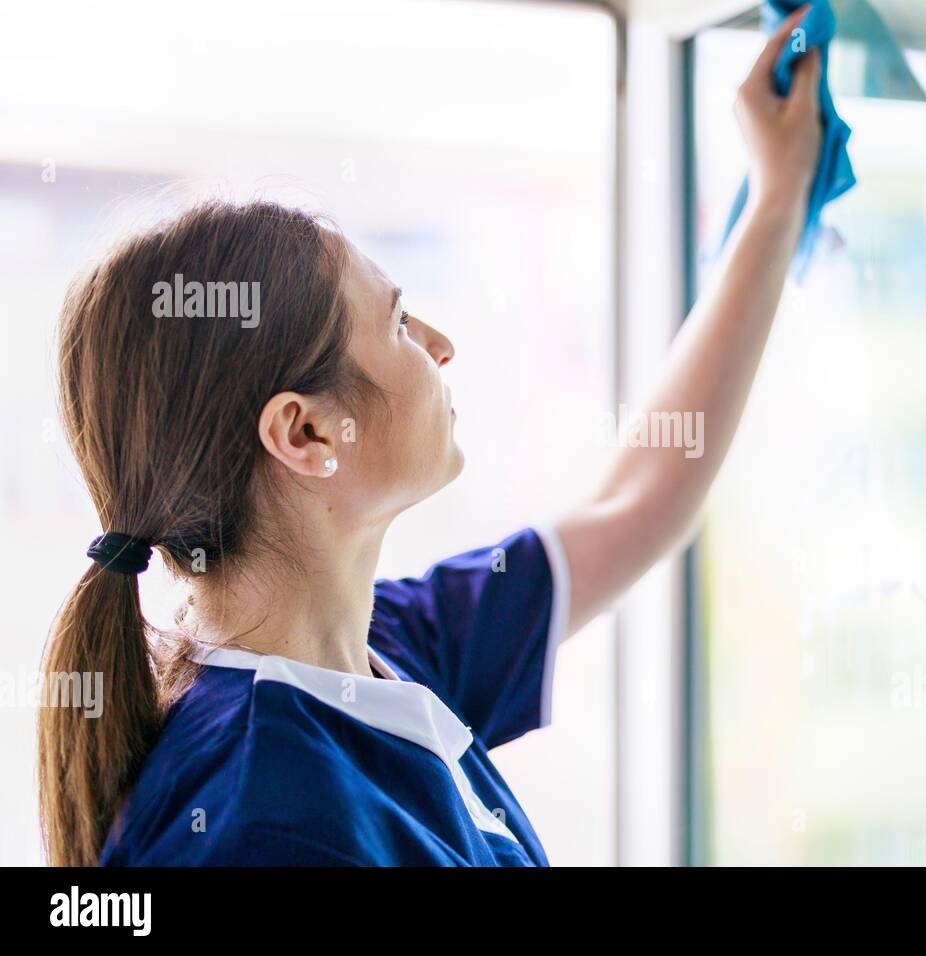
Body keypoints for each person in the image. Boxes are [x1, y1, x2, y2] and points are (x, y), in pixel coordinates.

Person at [38, 8, 823, 866]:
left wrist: (776, 199)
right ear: (304, 433)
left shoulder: (378, 654)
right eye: (400, 320)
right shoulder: (260, 823)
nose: (443, 346)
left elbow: (641, 502)